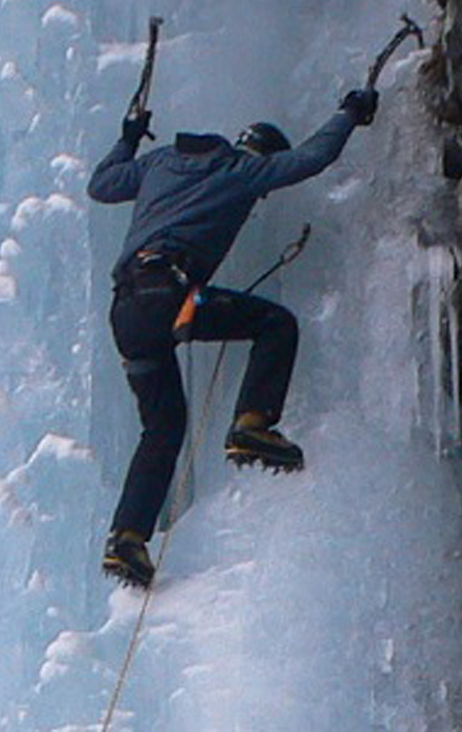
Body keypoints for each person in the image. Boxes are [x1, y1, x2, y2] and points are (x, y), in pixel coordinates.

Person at [88, 86, 380, 588]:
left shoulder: (160, 163)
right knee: (275, 324)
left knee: (163, 426)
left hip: (127, 310)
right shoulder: (241, 171)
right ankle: (252, 424)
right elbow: (313, 157)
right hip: (170, 295)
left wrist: (128, 139)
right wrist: (350, 112)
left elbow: (103, 184)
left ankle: (127, 539)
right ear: (261, 156)